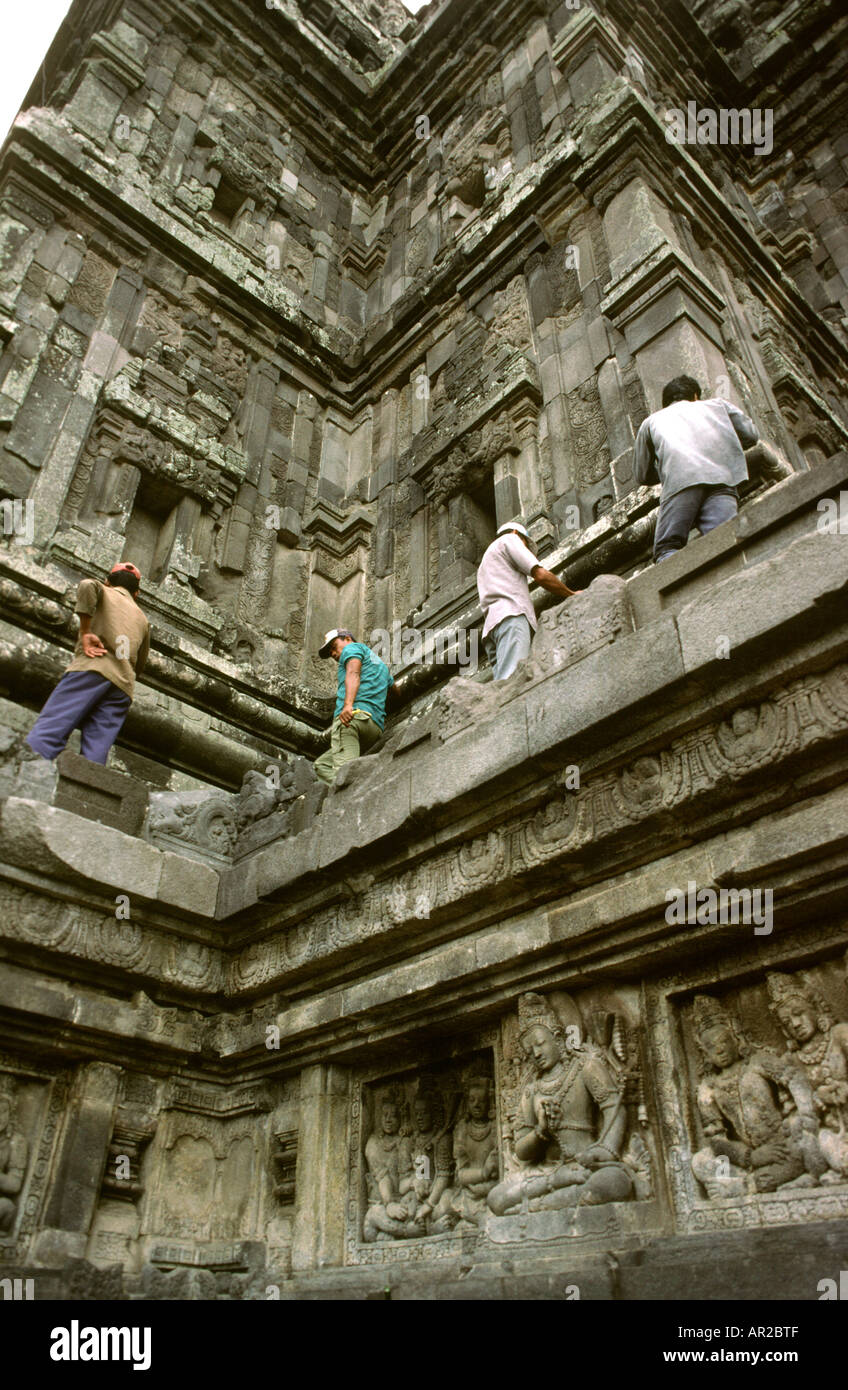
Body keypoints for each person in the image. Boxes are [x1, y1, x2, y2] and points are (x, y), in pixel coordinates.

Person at [26, 561, 149, 765]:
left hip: (93, 668)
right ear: (136, 594)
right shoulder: (142, 619)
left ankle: (26, 778)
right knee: (96, 752)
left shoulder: (102, 590)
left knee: (51, 731)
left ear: (108, 581)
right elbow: (141, 664)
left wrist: (85, 632)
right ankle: (87, 790)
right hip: (122, 687)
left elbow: (87, 585)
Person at [633, 375, 759, 563]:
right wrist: (724, 449)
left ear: (666, 403)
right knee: (727, 539)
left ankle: (680, 589)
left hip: (680, 482)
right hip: (722, 479)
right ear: (695, 396)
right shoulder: (718, 405)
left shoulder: (651, 422)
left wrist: (667, 469)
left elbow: (641, 474)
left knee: (667, 547)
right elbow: (751, 436)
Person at [477, 521, 578, 681]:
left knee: (503, 686)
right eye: (525, 545)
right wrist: (571, 593)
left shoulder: (486, 561)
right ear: (517, 534)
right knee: (515, 683)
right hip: (511, 617)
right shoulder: (510, 540)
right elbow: (540, 575)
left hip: (492, 629)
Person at [313, 627, 393, 785]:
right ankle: (361, 786)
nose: (334, 654)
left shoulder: (352, 648)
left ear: (347, 638)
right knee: (321, 765)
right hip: (374, 726)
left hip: (350, 721)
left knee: (346, 776)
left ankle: (356, 795)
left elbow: (353, 673)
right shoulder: (378, 663)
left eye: (334, 647)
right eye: (330, 653)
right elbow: (394, 690)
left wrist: (348, 705)